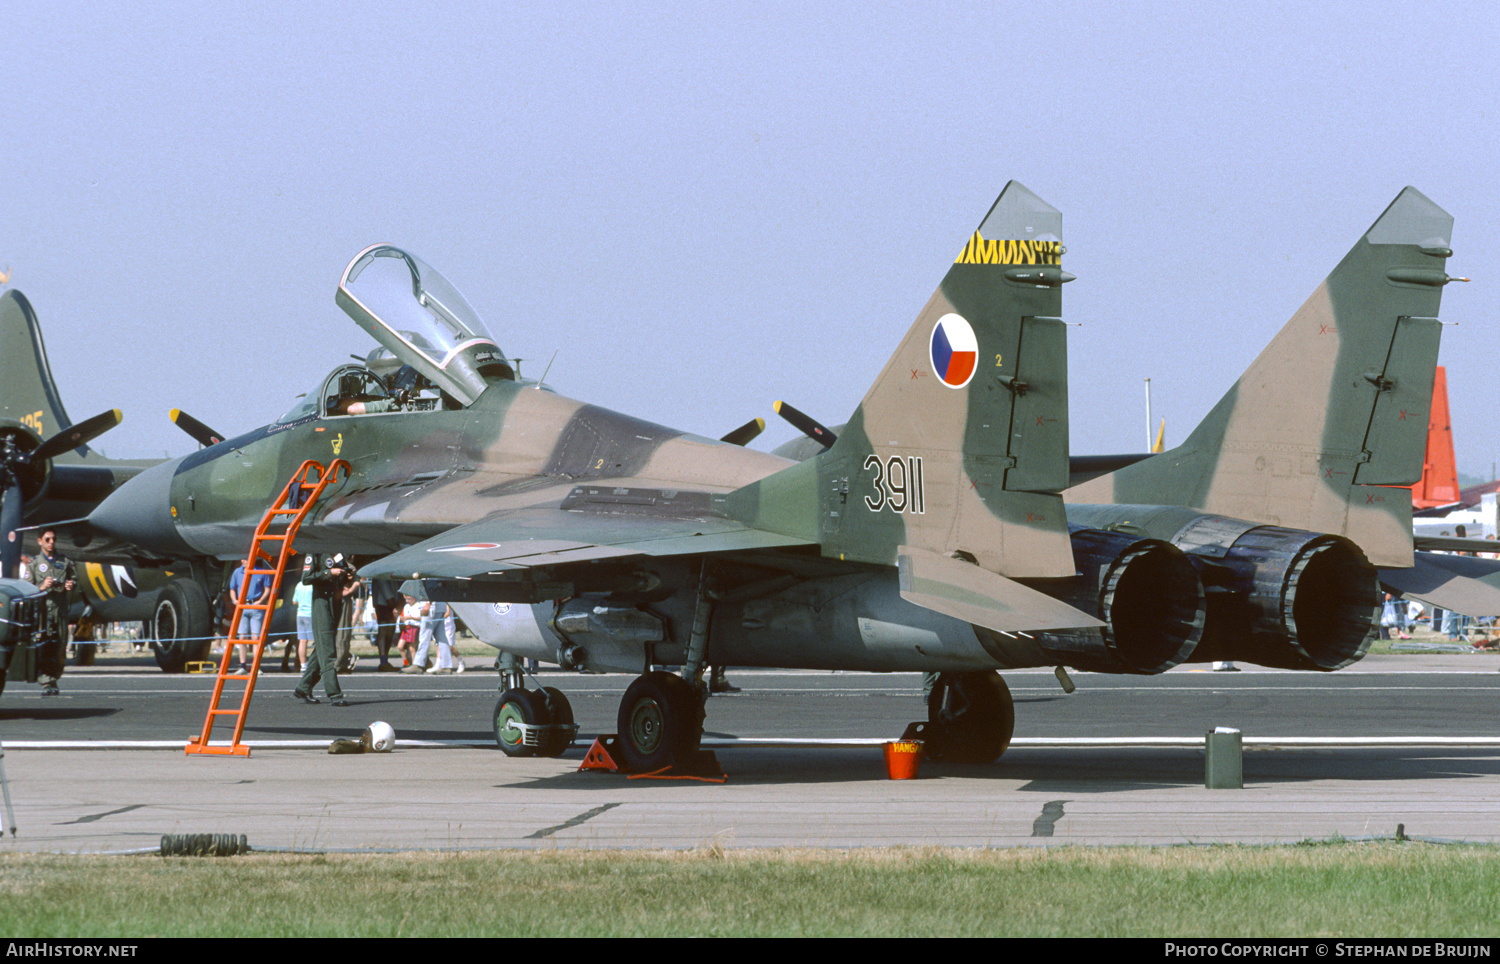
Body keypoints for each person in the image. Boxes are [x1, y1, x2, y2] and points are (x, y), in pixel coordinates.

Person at [292, 552, 356, 706]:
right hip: (322, 604)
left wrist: (347, 575)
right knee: (328, 651)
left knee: (322, 648)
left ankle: (303, 688)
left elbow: (342, 578)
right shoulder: (316, 553)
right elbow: (306, 578)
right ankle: (334, 694)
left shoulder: (339, 553)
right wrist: (329, 573)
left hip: (335, 603)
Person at [23, 530, 75, 696]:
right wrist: (42, 587)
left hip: (60, 610)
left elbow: (73, 579)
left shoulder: (65, 561)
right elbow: (26, 589)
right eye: (47, 539)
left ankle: (54, 678)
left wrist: (70, 585)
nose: (51, 542)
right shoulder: (34, 564)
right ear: (40, 541)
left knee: (60, 645)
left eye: (53, 539)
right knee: (43, 645)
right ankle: (46, 680)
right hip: (42, 612)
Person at [228, 559, 272, 673]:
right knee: (242, 637)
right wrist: (234, 600)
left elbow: (267, 588)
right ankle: (243, 666)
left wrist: (260, 601)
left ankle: (256, 666)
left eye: (246, 558)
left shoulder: (261, 572)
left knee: (256, 638)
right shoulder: (237, 572)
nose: (243, 561)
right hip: (242, 606)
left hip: (256, 606)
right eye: (242, 559)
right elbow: (232, 588)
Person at [369, 578, 403, 671]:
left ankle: (385, 661)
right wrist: (390, 598)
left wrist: (397, 598)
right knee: (383, 632)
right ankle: (383, 662)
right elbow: (382, 580)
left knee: (390, 633)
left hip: (392, 601)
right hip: (382, 602)